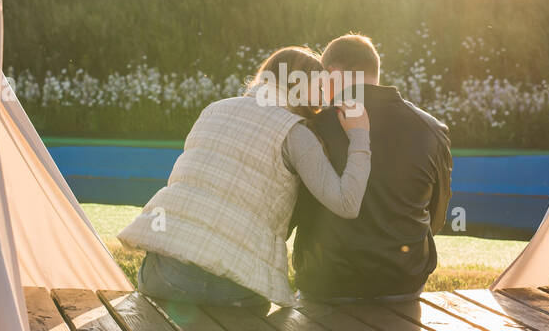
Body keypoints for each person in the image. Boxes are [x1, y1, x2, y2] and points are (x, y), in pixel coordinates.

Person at [118, 46, 370, 308]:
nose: (320, 103)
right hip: (234, 291)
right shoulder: (296, 134)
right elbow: (347, 203)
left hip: (163, 277)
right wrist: (360, 134)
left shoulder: (213, 110)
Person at [292, 34, 452, 302]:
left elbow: (293, 209)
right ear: (374, 72)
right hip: (403, 283)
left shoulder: (310, 128)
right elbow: (437, 215)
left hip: (326, 282)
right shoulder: (432, 128)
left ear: (332, 73)